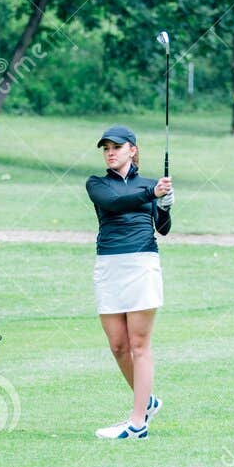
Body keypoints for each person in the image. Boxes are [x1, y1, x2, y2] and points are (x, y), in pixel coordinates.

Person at [86, 124, 173, 440]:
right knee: (118, 345)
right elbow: (114, 203)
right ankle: (146, 400)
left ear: (132, 150)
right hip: (109, 266)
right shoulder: (97, 184)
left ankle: (138, 423)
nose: (110, 152)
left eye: (116, 147)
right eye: (106, 148)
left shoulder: (150, 186)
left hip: (141, 264)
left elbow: (162, 228)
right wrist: (153, 194)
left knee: (138, 345)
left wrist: (163, 205)